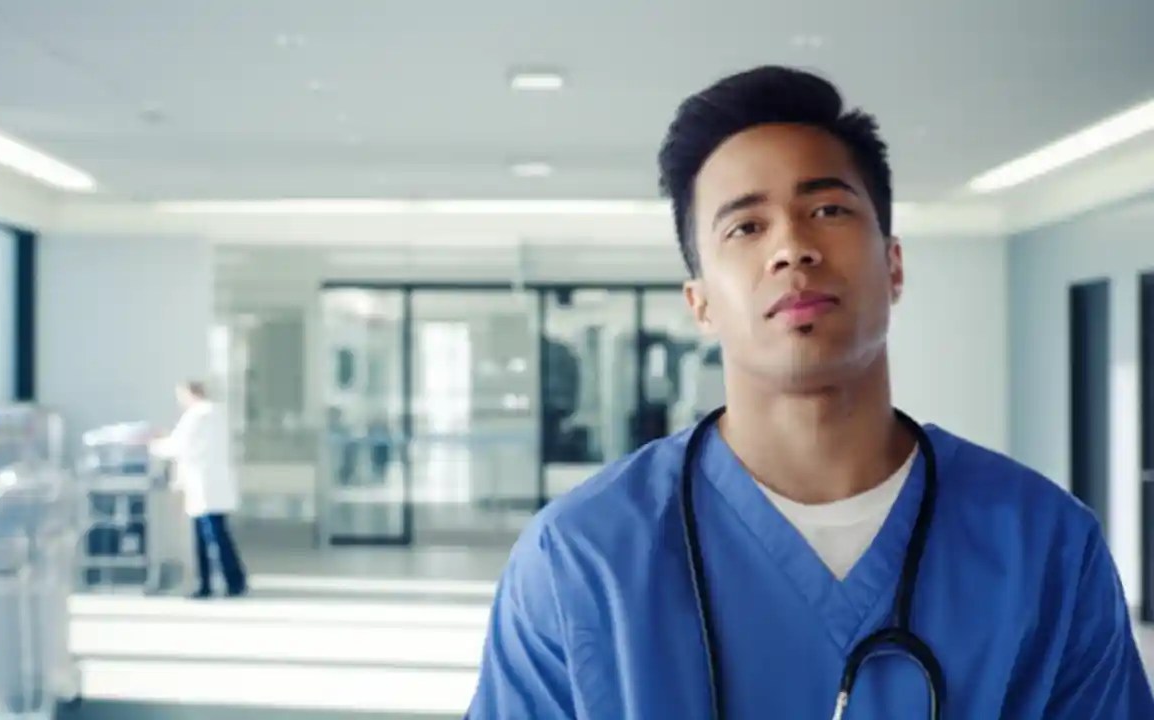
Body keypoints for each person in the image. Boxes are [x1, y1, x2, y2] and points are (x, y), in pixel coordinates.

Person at [467, 66, 1154, 718]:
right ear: (699, 301)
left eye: (827, 208)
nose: (791, 247)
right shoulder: (583, 559)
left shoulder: (1045, 546)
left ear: (894, 265)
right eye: (745, 226)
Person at [151, 380, 249, 599]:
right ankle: (225, 582)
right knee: (214, 536)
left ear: (190, 393)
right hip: (211, 485)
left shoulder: (197, 415)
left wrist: (153, 443)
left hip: (204, 485)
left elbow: (177, 446)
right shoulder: (216, 413)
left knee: (211, 536)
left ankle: (216, 584)